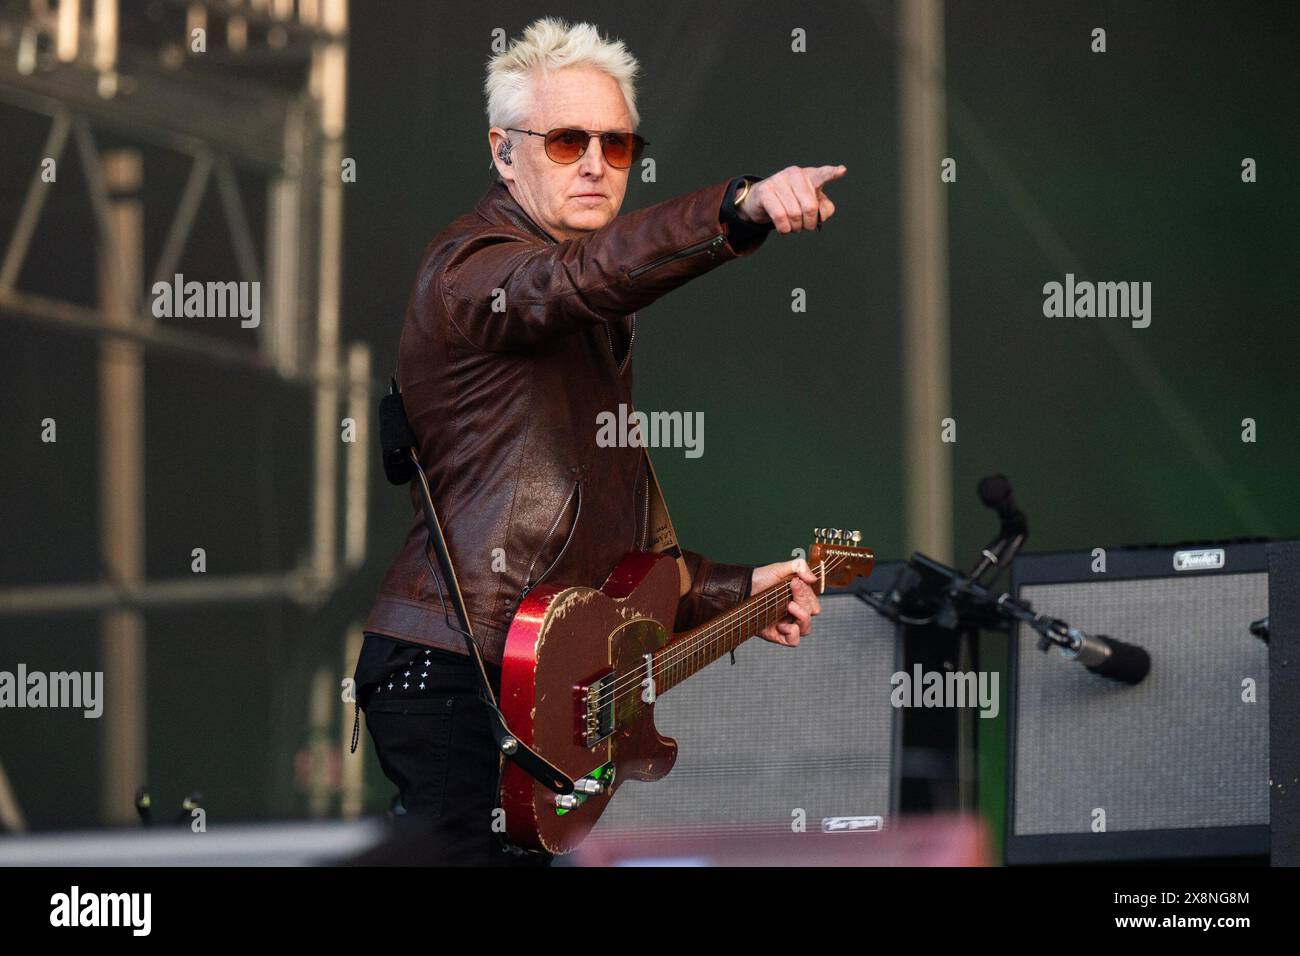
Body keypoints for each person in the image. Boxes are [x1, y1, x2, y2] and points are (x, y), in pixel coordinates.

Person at [353, 16, 846, 866]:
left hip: (527, 671)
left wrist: (734, 590)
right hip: (460, 667)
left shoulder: (591, 319)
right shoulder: (474, 269)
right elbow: (576, 278)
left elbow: (603, 563)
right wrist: (739, 207)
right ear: (504, 153)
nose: (594, 163)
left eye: (616, 145)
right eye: (567, 140)